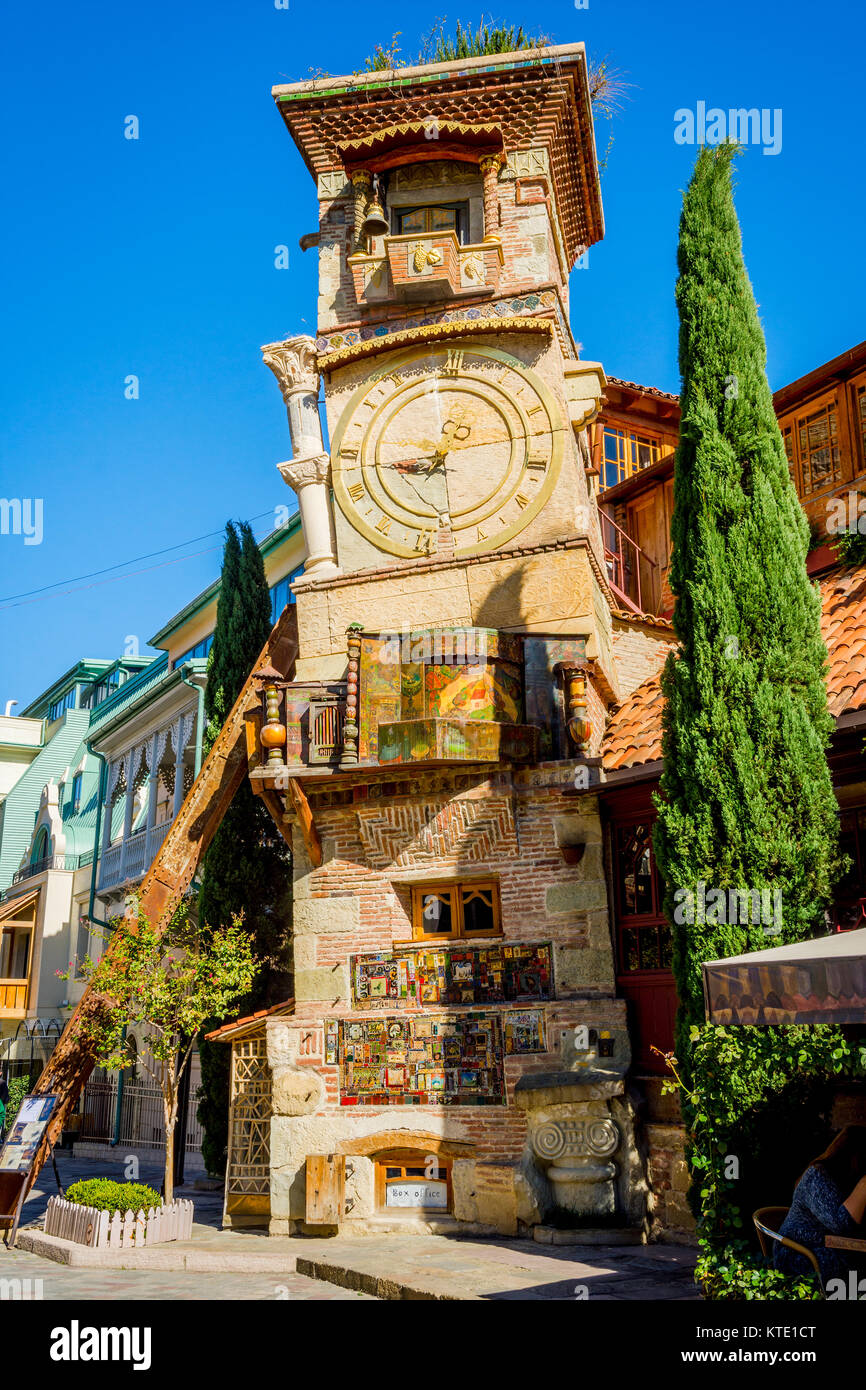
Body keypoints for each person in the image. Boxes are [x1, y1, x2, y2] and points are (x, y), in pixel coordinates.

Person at [774, 1125, 866, 1284]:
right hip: (800, 1255)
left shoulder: (849, 1182)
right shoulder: (817, 1176)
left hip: (833, 1248)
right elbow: (843, 1227)